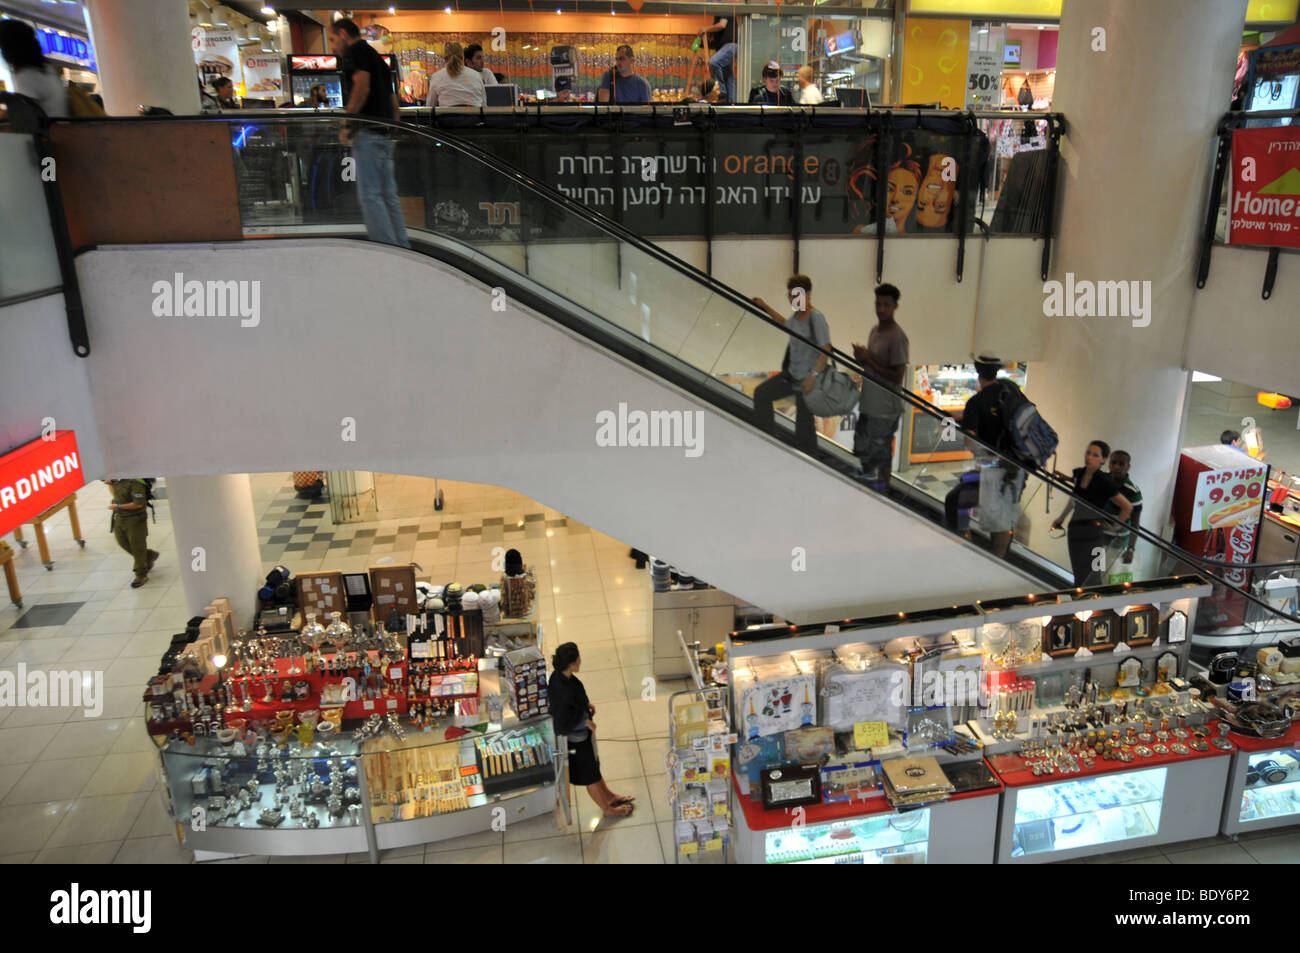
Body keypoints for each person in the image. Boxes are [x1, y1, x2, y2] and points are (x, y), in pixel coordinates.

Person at [329, 17, 410, 249]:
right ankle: (401, 246)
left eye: (333, 40)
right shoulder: (377, 56)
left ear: (344, 34)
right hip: (384, 135)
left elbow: (361, 87)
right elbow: (392, 98)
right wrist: (394, 127)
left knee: (371, 196)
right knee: (388, 196)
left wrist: (347, 124)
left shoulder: (355, 52)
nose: (333, 47)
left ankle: (386, 249)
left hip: (367, 133)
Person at [947, 357, 1029, 557]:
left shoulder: (977, 401)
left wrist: (967, 428)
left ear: (978, 373)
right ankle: (999, 558)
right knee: (1003, 517)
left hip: (995, 469)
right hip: (1019, 467)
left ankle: (977, 553)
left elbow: (971, 443)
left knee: (956, 500)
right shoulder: (1012, 391)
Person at [548, 642, 635, 818]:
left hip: (582, 736)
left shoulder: (559, 677)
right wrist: (583, 722)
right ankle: (608, 810)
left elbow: (574, 702)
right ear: (572, 663)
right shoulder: (562, 690)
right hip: (575, 740)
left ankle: (610, 797)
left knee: (594, 768)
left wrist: (586, 708)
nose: (581, 660)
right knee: (589, 775)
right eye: (578, 658)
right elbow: (562, 721)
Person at [751, 274, 830, 455]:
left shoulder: (815, 318)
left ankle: (808, 459)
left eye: (797, 295)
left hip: (808, 379)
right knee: (762, 394)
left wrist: (813, 378)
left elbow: (825, 349)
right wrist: (764, 306)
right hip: (792, 375)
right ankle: (769, 440)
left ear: (808, 294)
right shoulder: (797, 317)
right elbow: (784, 324)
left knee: (804, 422)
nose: (793, 300)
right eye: (790, 296)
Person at [1051, 440, 1134, 588]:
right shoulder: (1079, 473)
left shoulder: (1103, 480)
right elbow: (1074, 498)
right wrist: (1061, 518)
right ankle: (1081, 605)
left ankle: (1093, 606)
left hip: (1093, 532)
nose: (1089, 457)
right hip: (1075, 529)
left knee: (1093, 574)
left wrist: (1114, 528)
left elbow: (1127, 507)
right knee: (1079, 572)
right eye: (1088, 453)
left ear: (1103, 460)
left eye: (1095, 455)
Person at [851, 283, 909, 489]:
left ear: (895, 307)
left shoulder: (898, 337)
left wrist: (868, 360)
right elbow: (872, 366)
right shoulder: (875, 331)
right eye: (878, 304)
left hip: (885, 409)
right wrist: (863, 359)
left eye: (886, 305)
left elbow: (896, 376)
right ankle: (868, 484)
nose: (881, 309)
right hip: (869, 404)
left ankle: (883, 493)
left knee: (881, 453)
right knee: (862, 449)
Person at [0, 19, 67, 117]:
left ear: (9, 49)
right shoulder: (48, 69)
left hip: (46, 131)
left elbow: (25, 118)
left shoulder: (26, 76)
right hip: (60, 129)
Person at [106, 479, 158, 589]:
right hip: (119, 518)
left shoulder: (136, 483)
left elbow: (138, 504)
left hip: (135, 520)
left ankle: (141, 575)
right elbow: (115, 495)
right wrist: (110, 484)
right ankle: (149, 556)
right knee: (122, 543)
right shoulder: (117, 481)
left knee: (137, 548)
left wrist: (119, 507)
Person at [1103, 450, 1144, 565]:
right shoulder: (1101, 480)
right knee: (1095, 572)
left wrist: (1130, 549)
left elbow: (1135, 524)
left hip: (1116, 541)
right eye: (1113, 463)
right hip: (1098, 536)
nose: (1116, 467)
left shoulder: (1133, 491)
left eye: (1121, 464)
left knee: (1107, 575)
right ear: (1109, 464)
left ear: (1128, 467)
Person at [424, 41, 486, 107]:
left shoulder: (437, 77)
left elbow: (430, 106)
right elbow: (484, 105)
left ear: (444, 59)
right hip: (474, 116)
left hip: (447, 116)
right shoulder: (476, 75)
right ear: (463, 58)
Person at [698, 14, 737, 104]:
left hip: (730, 45)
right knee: (728, 77)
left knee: (713, 62)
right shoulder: (718, 15)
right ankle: (731, 103)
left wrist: (706, 28)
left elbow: (722, 25)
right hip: (724, 47)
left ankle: (721, 91)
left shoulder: (723, 9)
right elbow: (718, 39)